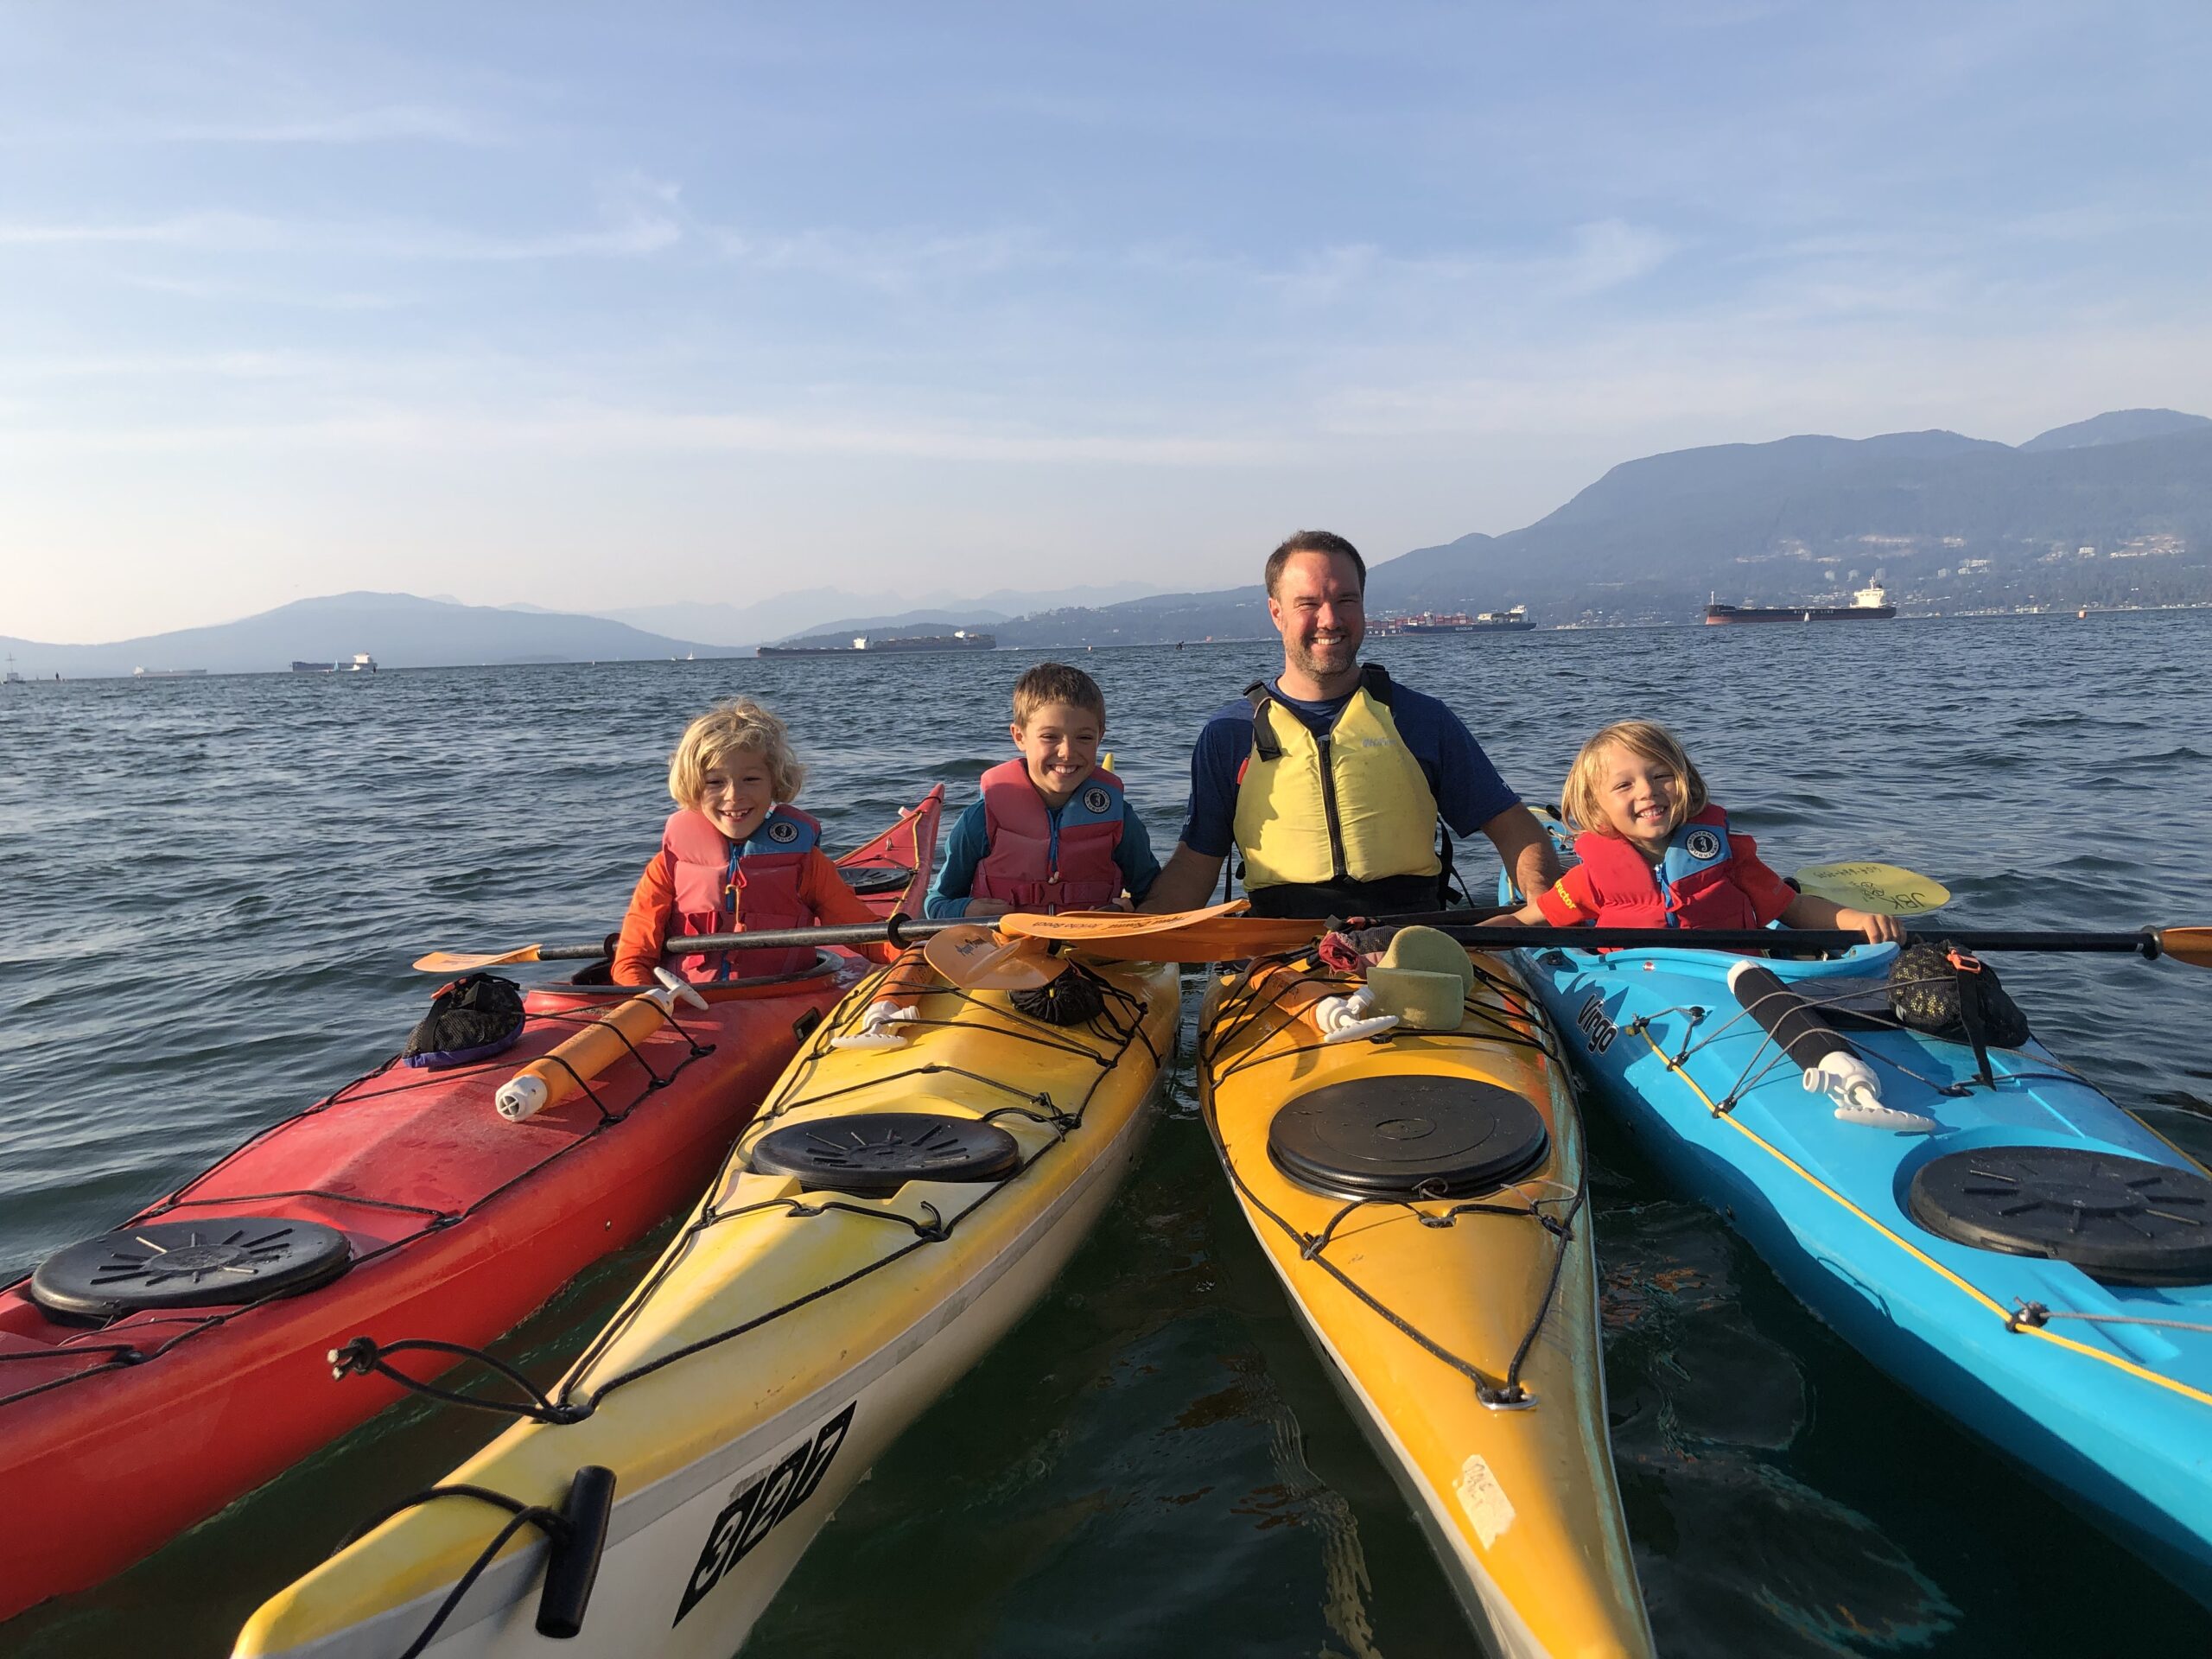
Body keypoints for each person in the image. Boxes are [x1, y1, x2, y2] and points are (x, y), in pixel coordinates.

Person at [1141, 530, 1560, 919]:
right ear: (1276, 613)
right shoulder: (1229, 734)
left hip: (1413, 936)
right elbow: (1195, 867)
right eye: (1308, 603)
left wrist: (1545, 901)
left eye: (1346, 600)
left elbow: (1517, 832)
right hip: (1281, 951)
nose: (1330, 619)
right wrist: (1132, 926)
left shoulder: (1421, 719)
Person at [1497, 719, 1903, 943]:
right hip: (1642, 991)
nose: (1648, 791)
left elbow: (1793, 910)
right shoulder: (1593, 880)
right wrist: (1461, 941)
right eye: (1624, 785)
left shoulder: (1731, 860)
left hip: (1734, 978)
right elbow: (1527, 920)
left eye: (1661, 775)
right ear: (1596, 808)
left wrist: (1858, 920)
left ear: (1685, 782)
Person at [612, 699, 899, 983]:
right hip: (687, 1004)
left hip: (783, 999)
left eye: (751, 779)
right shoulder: (667, 868)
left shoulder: (808, 866)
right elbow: (632, 959)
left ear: (774, 782)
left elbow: (868, 938)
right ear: (693, 787)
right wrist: (648, 1002)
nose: (734, 795)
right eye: (715, 782)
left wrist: (914, 950)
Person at [925, 662, 1161, 918]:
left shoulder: (1120, 819)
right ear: (1019, 737)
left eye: (1084, 738)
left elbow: (1153, 893)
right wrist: (965, 909)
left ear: (1100, 736)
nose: (1067, 752)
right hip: (1005, 949)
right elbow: (937, 904)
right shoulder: (981, 820)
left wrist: (1128, 910)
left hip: (1091, 950)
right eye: (1050, 737)